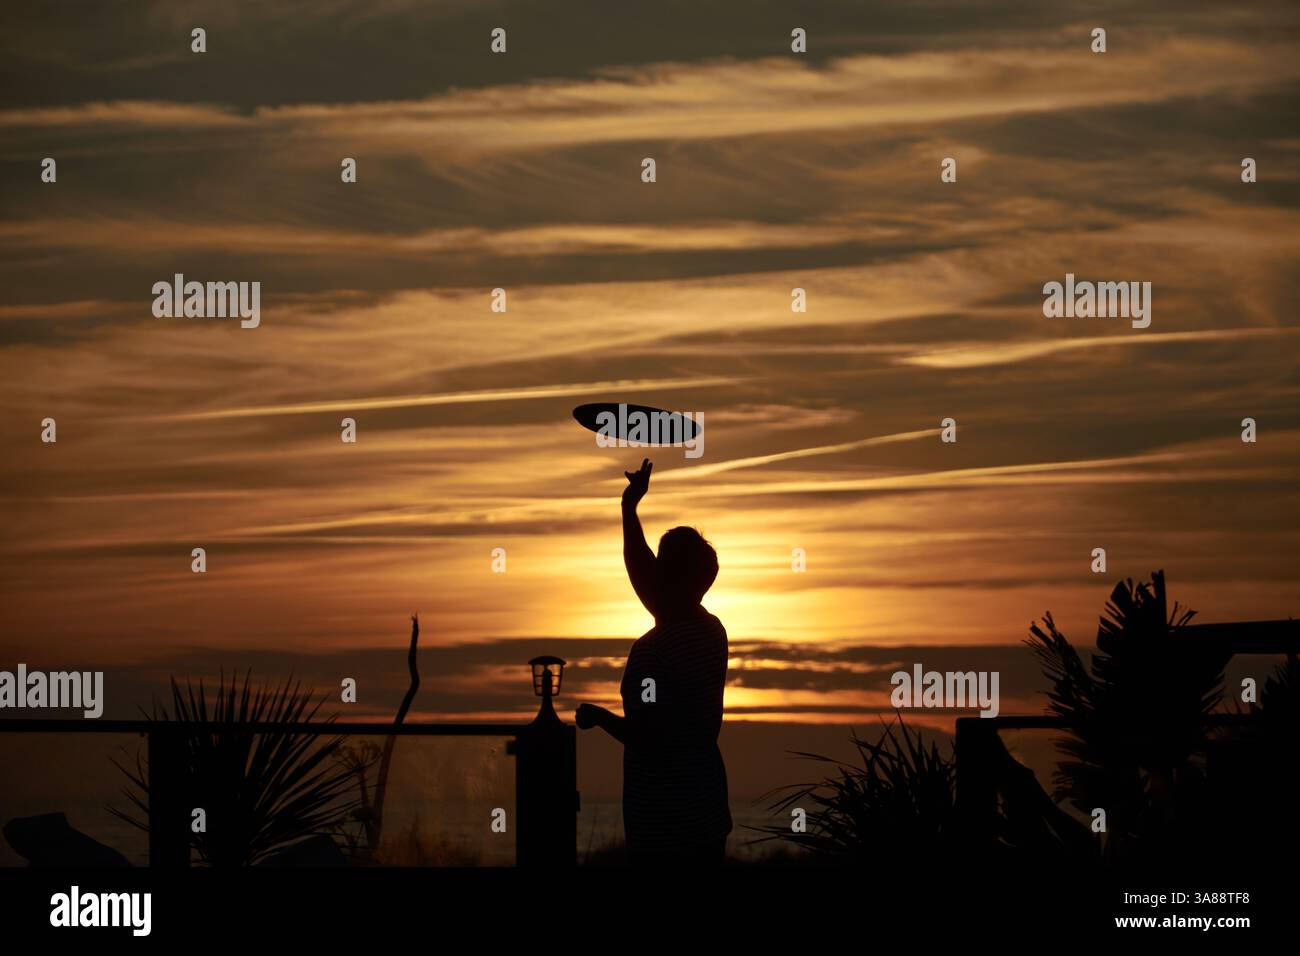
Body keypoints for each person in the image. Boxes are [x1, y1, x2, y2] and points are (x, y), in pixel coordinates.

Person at [576, 458, 732, 864]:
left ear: (668, 577)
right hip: (708, 811)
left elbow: (648, 738)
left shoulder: (652, 651)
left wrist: (598, 717)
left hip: (663, 825)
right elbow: (646, 573)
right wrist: (630, 508)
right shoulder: (713, 632)